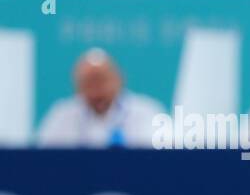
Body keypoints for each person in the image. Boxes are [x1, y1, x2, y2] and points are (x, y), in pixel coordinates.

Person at [36, 49, 166, 148]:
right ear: (77, 85)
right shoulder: (61, 115)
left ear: (119, 79)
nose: (95, 88)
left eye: (101, 80)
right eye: (88, 82)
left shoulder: (148, 112)